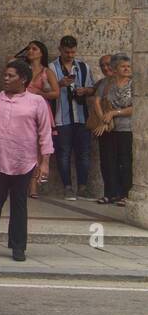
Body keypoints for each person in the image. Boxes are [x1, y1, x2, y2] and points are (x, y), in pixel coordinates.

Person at [0, 58, 54, 262]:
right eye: (5, 75)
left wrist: (44, 162)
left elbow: (45, 134)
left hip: (24, 160)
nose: (6, 79)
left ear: (23, 79)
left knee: (19, 203)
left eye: (11, 76)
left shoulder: (37, 102)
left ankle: (18, 247)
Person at [49, 35, 96, 201]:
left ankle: (82, 187)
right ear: (60, 49)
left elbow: (92, 88)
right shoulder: (52, 68)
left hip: (82, 116)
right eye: (67, 52)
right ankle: (67, 187)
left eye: (73, 52)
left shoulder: (83, 67)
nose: (70, 55)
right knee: (63, 154)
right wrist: (60, 84)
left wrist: (85, 91)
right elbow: (47, 91)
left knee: (84, 153)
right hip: (62, 117)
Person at [90, 52, 133, 207]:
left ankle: (125, 194)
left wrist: (115, 113)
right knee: (107, 161)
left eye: (128, 66)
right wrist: (104, 119)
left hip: (126, 129)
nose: (127, 69)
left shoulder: (133, 84)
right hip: (107, 128)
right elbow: (97, 101)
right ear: (115, 68)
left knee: (125, 162)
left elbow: (136, 107)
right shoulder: (106, 83)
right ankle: (110, 193)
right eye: (123, 66)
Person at [19, 40, 59, 197]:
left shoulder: (46, 72)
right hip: (22, 109)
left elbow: (55, 92)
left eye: (34, 49)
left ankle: (33, 187)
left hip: (40, 109)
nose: (30, 51)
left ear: (41, 52)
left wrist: (40, 94)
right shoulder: (23, 69)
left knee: (39, 148)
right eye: (28, 49)